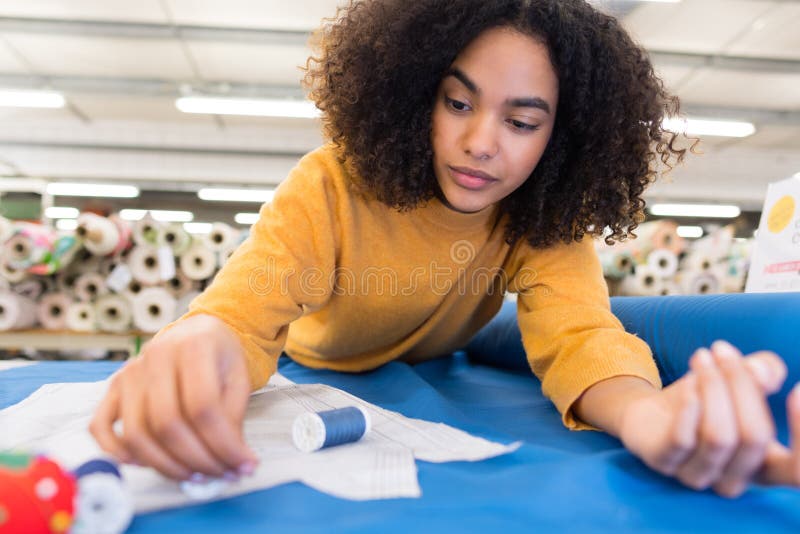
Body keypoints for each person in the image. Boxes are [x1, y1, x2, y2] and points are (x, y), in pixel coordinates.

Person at [90, 0, 799, 498]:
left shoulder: (538, 217)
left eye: (521, 121)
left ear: (560, 137)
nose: (481, 142)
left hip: (441, 351)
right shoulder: (330, 185)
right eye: (458, 104)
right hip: (319, 356)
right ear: (415, 95)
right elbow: (245, 308)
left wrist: (651, 417)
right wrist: (197, 340)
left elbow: (581, 334)